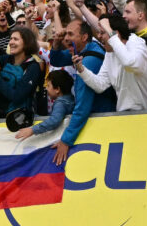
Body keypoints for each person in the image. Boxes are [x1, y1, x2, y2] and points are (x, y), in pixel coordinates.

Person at [47, 17, 115, 164]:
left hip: (101, 120)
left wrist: (66, 140)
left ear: (84, 37)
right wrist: (57, 44)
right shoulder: (87, 47)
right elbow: (56, 60)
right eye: (66, 34)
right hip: (99, 116)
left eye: (70, 34)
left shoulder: (88, 62)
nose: (66, 38)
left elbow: (82, 106)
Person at [14, 70, 75, 140]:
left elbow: (54, 120)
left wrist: (32, 130)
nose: (46, 88)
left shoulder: (60, 103)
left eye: (48, 86)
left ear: (57, 89)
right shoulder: (70, 99)